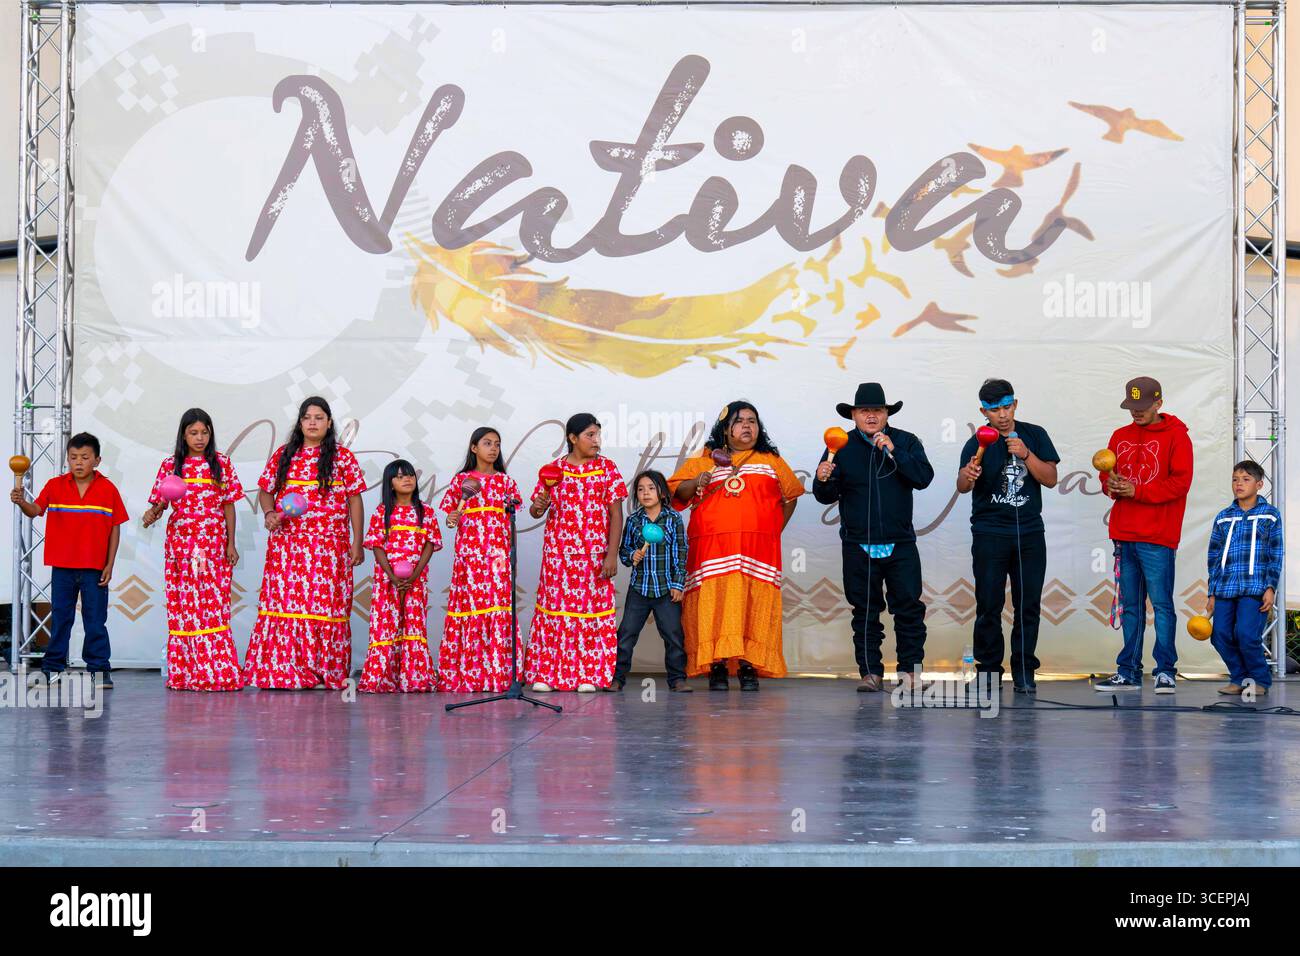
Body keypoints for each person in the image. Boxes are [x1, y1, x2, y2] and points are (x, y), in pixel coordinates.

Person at [668, 401, 804, 691]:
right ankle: (716, 666)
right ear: (725, 429)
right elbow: (676, 492)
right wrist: (697, 480)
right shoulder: (704, 460)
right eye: (739, 421)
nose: (747, 426)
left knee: (752, 603)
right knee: (713, 603)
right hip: (711, 548)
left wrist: (772, 531)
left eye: (752, 421)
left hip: (757, 549)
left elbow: (790, 496)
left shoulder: (771, 461)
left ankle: (748, 665)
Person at [812, 383, 933, 692]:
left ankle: (910, 672)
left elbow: (923, 478)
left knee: (908, 610)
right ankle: (870, 673)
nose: (871, 416)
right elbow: (825, 496)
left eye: (877, 410)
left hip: (900, 543)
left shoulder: (905, 441)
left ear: (886, 414)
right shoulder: (840, 446)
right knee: (865, 612)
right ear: (853, 414)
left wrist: (894, 451)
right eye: (864, 410)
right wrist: (822, 477)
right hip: (857, 544)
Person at [242, 396, 366, 690]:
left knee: (326, 607)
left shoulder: (343, 458)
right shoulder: (284, 455)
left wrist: (357, 542)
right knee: (288, 606)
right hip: (289, 548)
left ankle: (324, 671)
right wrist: (270, 513)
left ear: (329, 423)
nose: (313, 422)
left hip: (329, 548)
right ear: (300, 423)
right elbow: (266, 492)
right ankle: (285, 669)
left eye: (319, 417)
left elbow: (355, 500)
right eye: (307, 417)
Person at [956, 379, 1059, 693]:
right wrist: (967, 476)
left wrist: (1026, 454)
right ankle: (988, 671)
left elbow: (1051, 478)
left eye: (1005, 407)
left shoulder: (1035, 435)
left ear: (1015, 404)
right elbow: (962, 486)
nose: (1001, 415)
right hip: (989, 533)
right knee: (988, 604)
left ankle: (1025, 671)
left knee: (1028, 605)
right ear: (983, 411)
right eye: (993, 409)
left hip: (1029, 532)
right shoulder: (977, 442)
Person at [1094, 376, 1193, 694]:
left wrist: (1137, 490)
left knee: (1161, 604)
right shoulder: (1119, 435)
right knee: (1131, 606)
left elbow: (1180, 483)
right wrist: (1110, 484)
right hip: (1124, 532)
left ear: (1158, 403)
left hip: (1158, 535)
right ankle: (1129, 671)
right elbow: (1105, 476)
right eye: (1131, 406)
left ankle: (1165, 671)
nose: (1135, 412)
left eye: (1142, 406)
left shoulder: (1177, 436)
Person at [11, 432, 128, 689]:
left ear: (97, 460)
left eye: (84, 457)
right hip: (62, 566)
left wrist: (109, 564)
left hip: (94, 567)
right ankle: (52, 669)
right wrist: (22, 502)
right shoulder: (55, 485)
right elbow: (35, 511)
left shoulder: (108, 489)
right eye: (73, 457)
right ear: (67, 459)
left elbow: (115, 528)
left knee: (95, 620)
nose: (78, 462)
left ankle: (99, 670)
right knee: (62, 618)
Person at [142, 408, 246, 691]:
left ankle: (217, 671)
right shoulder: (170, 465)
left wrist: (231, 542)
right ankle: (187, 672)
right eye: (193, 433)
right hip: (181, 546)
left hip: (211, 546)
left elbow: (228, 505)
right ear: (183, 435)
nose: (199, 438)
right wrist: (153, 513)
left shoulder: (221, 463)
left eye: (204, 432)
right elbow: (161, 504)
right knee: (186, 605)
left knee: (212, 605)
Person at [524, 413, 626, 692]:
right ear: (572, 438)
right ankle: (547, 673)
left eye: (598, 435)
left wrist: (611, 554)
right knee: (555, 612)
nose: (596, 441)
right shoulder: (553, 469)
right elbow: (535, 511)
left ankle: (589, 674)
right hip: (559, 558)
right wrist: (541, 504)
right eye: (590, 435)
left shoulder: (607, 468)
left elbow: (616, 515)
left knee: (591, 613)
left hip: (594, 558)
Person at [437, 428, 525, 692]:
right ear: (474, 447)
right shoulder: (461, 481)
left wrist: (512, 557)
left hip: (498, 556)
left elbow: (512, 521)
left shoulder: (506, 482)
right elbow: (451, 517)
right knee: (471, 608)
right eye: (487, 443)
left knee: (497, 609)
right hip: (470, 557)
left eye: (497, 444)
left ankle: (498, 672)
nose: (494, 448)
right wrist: (452, 518)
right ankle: (471, 673)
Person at [358, 459, 443, 693]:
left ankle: (414, 679)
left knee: (414, 624)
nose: (407, 479)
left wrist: (415, 574)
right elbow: (377, 546)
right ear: (390, 484)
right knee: (386, 625)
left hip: (416, 579)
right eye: (399, 476)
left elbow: (429, 544)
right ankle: (382, 679)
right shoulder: (383, 512)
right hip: (388, 580)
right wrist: (392, 577)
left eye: (410, 475)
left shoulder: (425, 512)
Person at [609, 470, 690, 692]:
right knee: (626, 634)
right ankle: (617, 677)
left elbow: (681, 552)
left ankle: (677, 679)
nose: (646, 493)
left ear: (662, 493)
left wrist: (678, 583)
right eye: (641, 489)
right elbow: (624, 551)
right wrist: (632, 555)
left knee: (673, 635)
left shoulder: (673, 519)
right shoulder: (634, 521)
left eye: (651, 488)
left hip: (666, 589)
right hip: (640, 588)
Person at [1205, 460, 1282, 696]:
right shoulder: (1224, 516)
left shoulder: (1270, 515)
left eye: (1246, 479)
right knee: (1219, 635)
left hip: (1255, 587)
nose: (1239, 484)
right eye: (1235, 479)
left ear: (1259, 484)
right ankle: (1239, 678)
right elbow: (1214, 556)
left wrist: (1270, 587)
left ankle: (1260, 680)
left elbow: (1275, 553)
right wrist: (1212, 592)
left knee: (1247, 635)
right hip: (1226, 588)